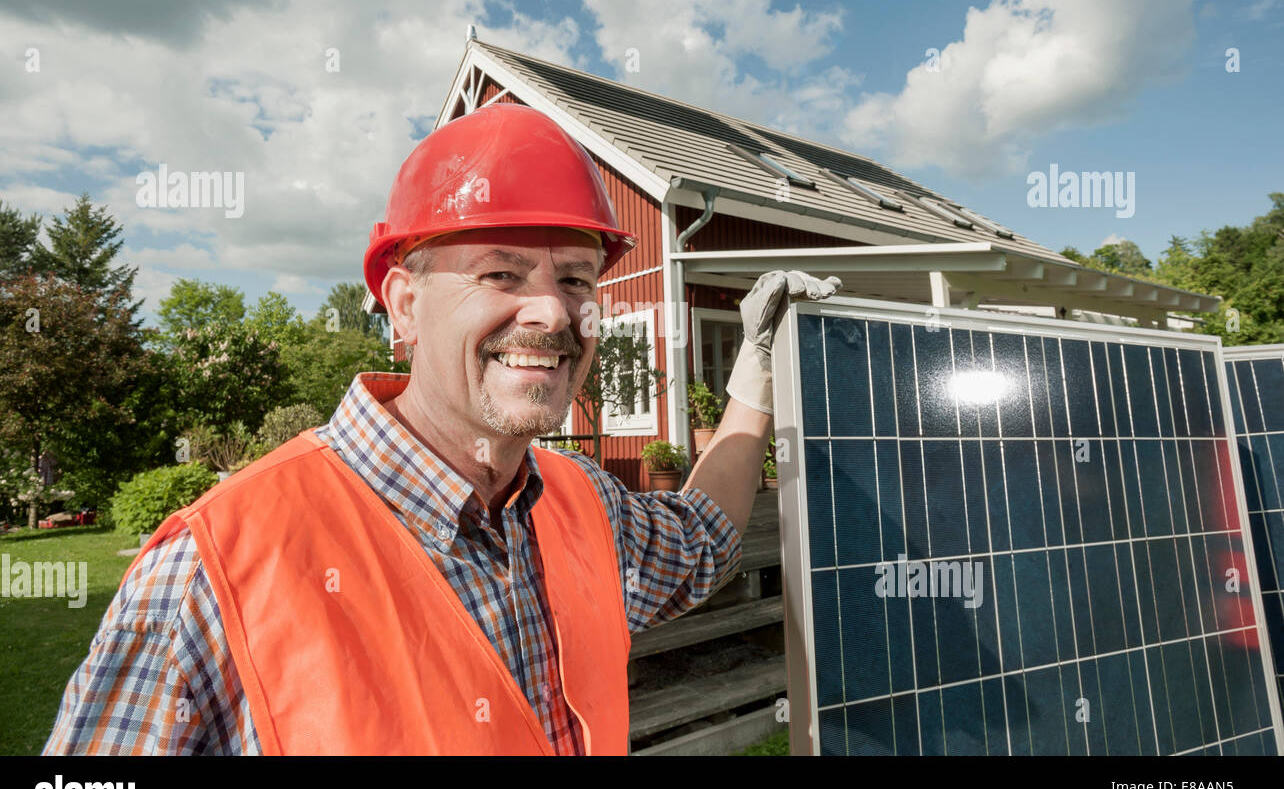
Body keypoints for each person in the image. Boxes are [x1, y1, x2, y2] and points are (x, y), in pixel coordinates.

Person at [42, 103, 839, 755]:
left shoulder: (583, 505)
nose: (553, 312)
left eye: (575, 279)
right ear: (404, 304)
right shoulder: (210, 572)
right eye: (501, 273)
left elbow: (703, 539)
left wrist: (753, 378)